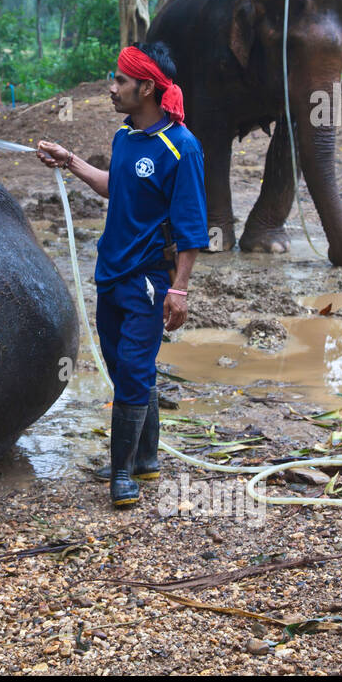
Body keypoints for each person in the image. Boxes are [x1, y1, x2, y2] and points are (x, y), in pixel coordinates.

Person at [36, 43, 208, 507]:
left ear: (147, 87)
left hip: (151, 280)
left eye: (120, 81)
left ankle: (121, 476)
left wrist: (180, 289)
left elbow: (191, 229)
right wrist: (69, 161)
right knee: (122, 368)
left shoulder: (182, 147)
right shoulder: (125, 137)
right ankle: (145, 459)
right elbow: (117, 186)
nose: (111, 89)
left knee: (133, 368)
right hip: (110, 274)